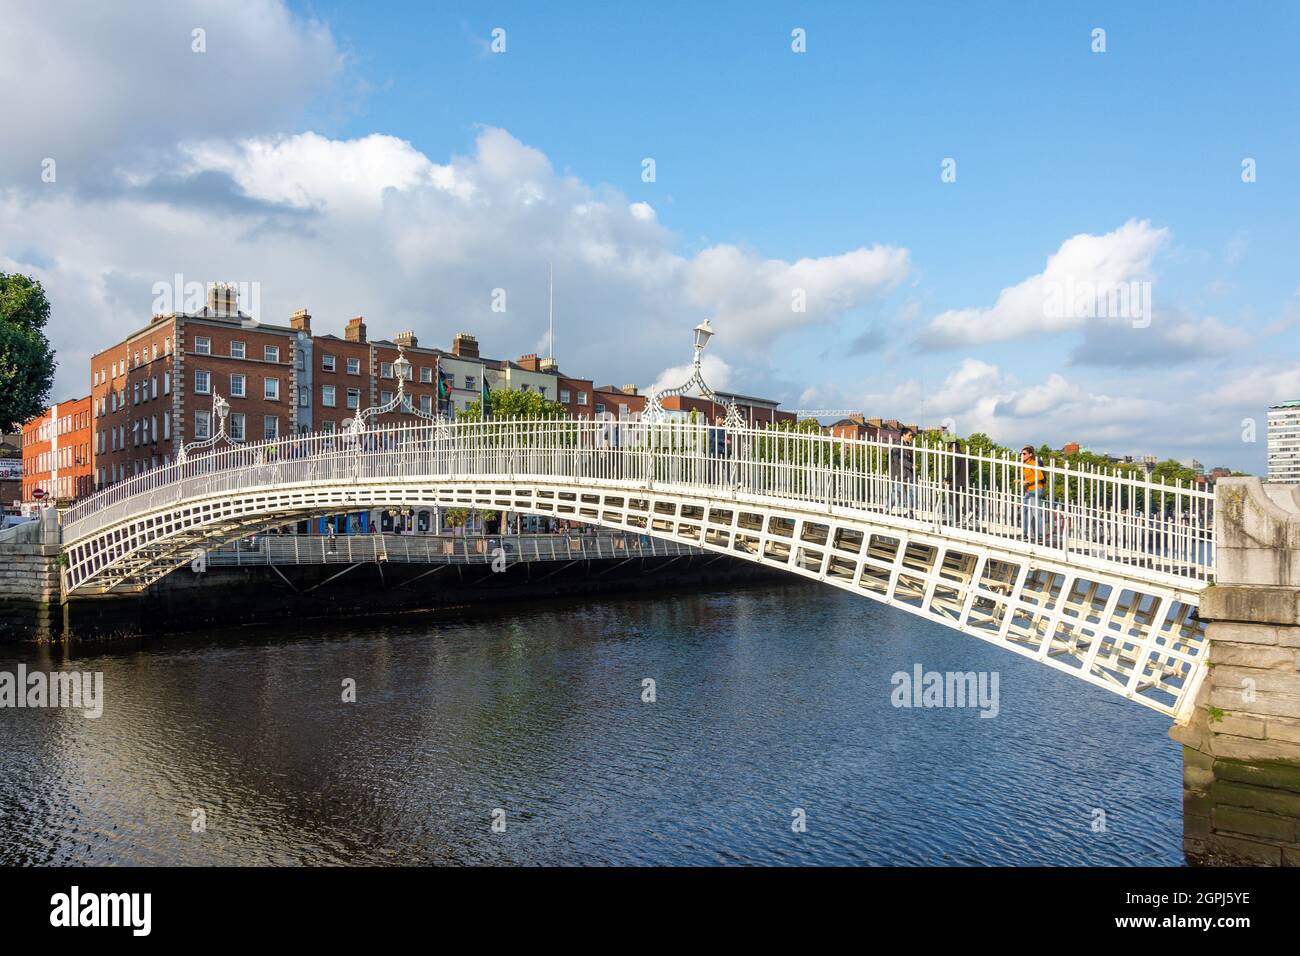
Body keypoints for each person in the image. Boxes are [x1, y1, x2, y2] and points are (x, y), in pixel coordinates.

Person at [889, 428, 916, 517]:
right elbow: (897, 459)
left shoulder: (906, 445)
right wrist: (910, 465)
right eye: (909, 435)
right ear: (903, 435)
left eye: (911, 435)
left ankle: (910, 512)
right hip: (899, 473)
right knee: (897, 492)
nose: (911, 437)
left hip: (906, 473)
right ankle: (888, 508)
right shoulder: (897, 445)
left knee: (909, 492)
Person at [1021, 445, 1046, 543]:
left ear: (1030, 454)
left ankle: (1040, 536)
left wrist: (1028, 482)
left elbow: (1040, 476)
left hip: (1036, 489)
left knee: (1036, 513)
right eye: (1021, 454)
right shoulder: (1025, 464)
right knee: (1025, 512)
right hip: (1028, 490)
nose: (1022, 455)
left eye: (1024, 454)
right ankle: (1025, 533)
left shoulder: (1033, 463)